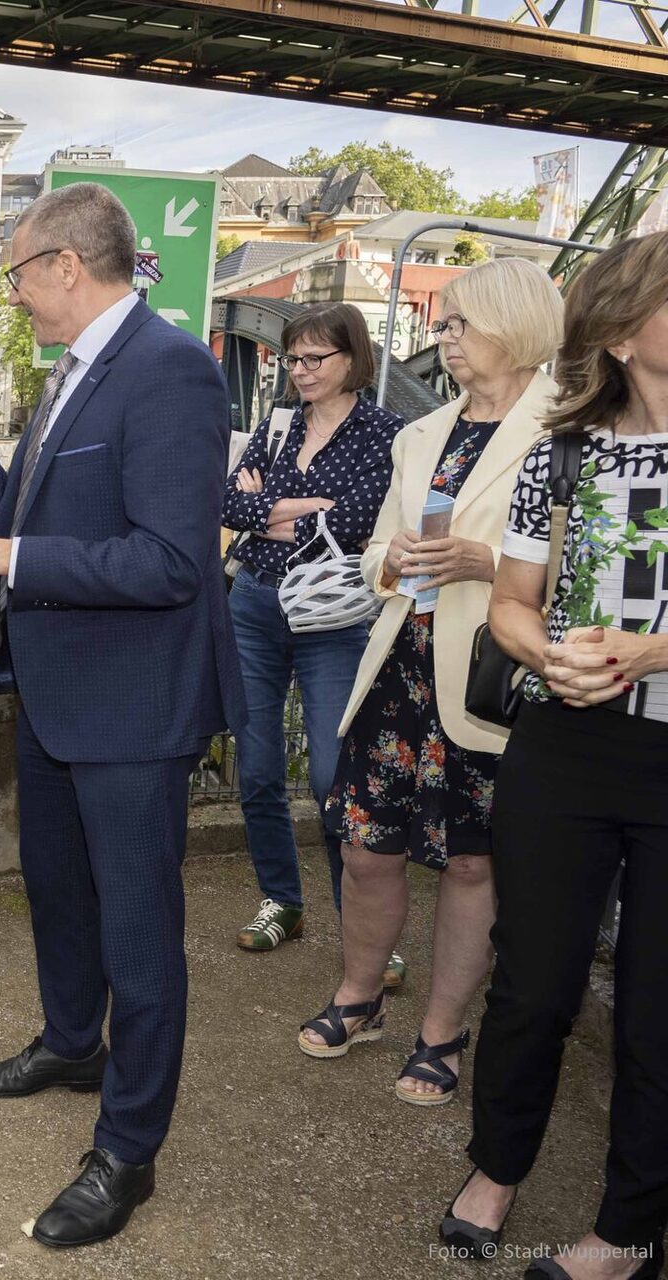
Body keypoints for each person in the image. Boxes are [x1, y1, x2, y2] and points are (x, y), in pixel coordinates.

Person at [0, 182, 244, 1247]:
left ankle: (127, 1148)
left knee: (140, 934)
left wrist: (7, 558)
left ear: (66, 264)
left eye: (17, 272)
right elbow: (26, 512)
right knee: (59, 890)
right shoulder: (75, 370)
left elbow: (169, 559)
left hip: (132, 704)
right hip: (57, 695)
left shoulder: (171, 371)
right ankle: (70, 1040)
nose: (11, 295)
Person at [445, 230, 668, 1280]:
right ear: (624, 332)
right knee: (532, 980)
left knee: (658, 1004)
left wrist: (644, 651)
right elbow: (511, 604)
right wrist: (553, 657)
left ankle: (626, 1227)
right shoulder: (563, 454)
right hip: (565, 745)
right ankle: (496, 1167)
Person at [299, 258, 564, 1110]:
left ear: (513, 325)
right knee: (364, 849)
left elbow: (589, 572)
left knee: (469, 867)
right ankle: (359, 996)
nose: (442, 339)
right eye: (443, 325)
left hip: (491, 680)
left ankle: (443, 1031)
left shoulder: (571, 429)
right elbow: (379, 546)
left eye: (458, 325)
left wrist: (487, 563)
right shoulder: (423, 433)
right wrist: (395, 560)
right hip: (399, 669)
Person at [221, 304, 405, 960]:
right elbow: (230, 505)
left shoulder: (385, 432)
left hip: (333, 620)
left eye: (313, 359)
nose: (298, 370)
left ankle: (363, 921)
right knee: (260, 766)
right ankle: (282, 900)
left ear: (352, 360)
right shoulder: (277, 427)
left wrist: (271, 510)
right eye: (292, 358)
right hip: (255, 605)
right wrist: (309, 509)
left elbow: (359, 520)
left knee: (332, 776)